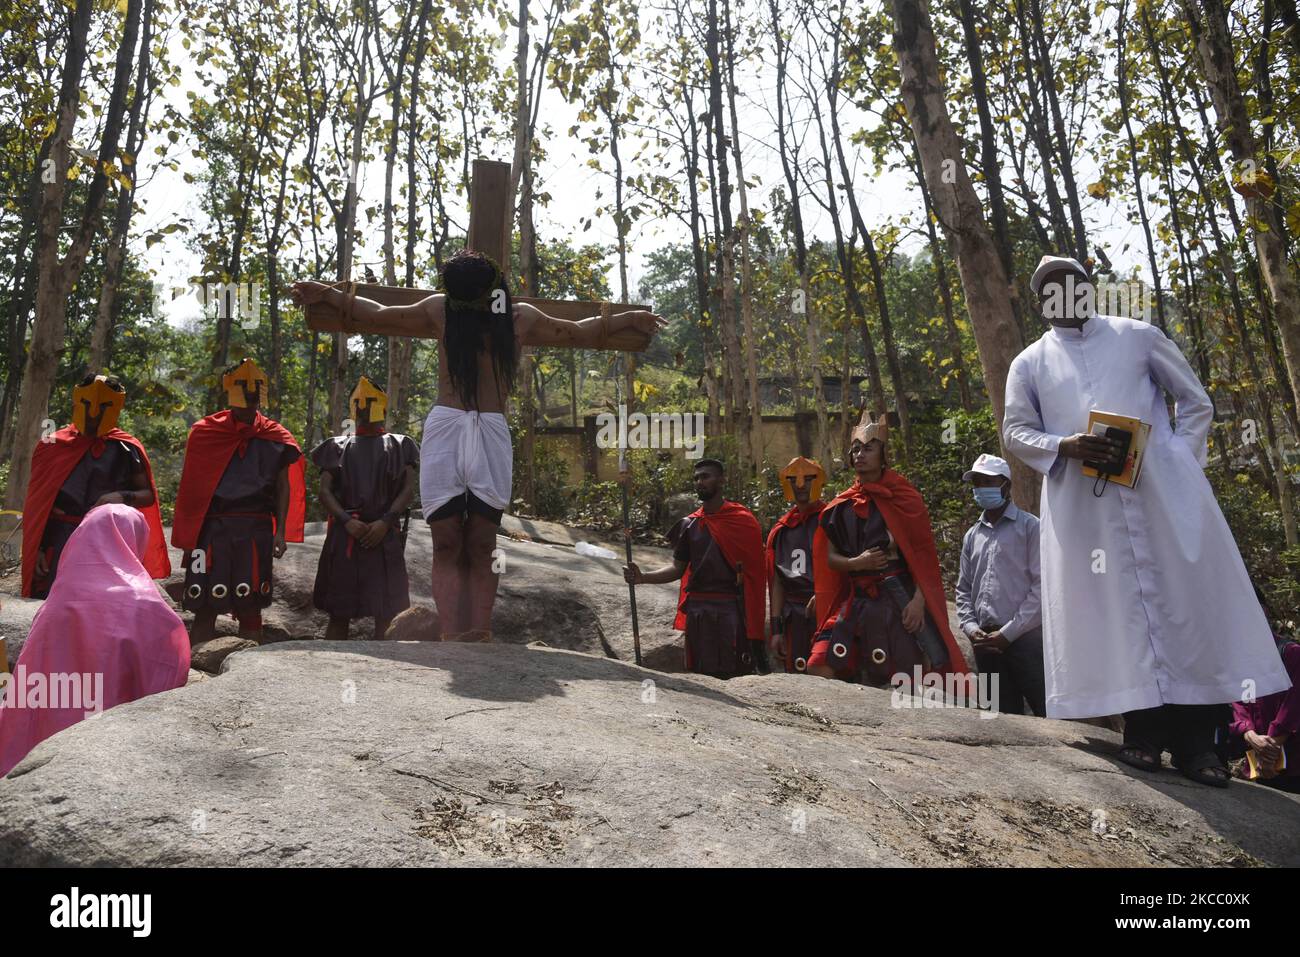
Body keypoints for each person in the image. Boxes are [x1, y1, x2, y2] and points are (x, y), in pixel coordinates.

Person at [1002, 254, 1291, 787]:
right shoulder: (1030, 362)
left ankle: (1199, 747)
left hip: (1164, 498)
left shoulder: (1138, 336)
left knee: (1185, 613)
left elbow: (1194, 401)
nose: (1062, 294)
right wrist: (1062, 445)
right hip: (1085, 510)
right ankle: (1142, 736)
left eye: (1072, 284)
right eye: (1050, 288)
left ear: (1089, 289)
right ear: (1039, 301)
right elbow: (1015, 432)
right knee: (1116, 618)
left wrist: (1178, 464)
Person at [291, 252, 664, 642]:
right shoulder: (440, 311)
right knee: (447, 539)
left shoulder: (520, 319)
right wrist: (330, 296)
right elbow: (379, 313)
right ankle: (452, 633)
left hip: (490, 430)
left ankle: (481, 630)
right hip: (446, 429)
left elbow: (577, 331)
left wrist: (627, 319)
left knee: (483, 540)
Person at [0, 505, 190, 776]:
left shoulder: (59, 596)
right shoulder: (144, 605)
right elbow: (169, 666)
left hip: (42, 735)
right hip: (108, 740)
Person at [808, 413, 968, 687]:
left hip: (898, 598)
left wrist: (919, 602)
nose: (860, 454)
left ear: (883, 454)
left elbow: (923, 559)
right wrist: (857, 562)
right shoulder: (841, 505)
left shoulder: (904, 497)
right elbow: (832, 559)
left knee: (908, 678)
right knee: (819, 663)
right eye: (856, 449)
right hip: (857, 599)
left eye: (869, 448)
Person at [171, 358, 306, 645]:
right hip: (211, 529)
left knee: (251, 602)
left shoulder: (276, 437)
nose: (248, 403)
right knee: (204, 602)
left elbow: (283, 487)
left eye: (254, 397)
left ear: (261, 395)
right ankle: (193, 673)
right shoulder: (206, 432)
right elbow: (192, 487)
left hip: (255, 528)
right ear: (230, 393)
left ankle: (249, 676)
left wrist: (280, 531)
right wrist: (189, 534)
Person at [21, 374, 168, 598]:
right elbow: (38, 507)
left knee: (103, 602)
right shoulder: (53, 445)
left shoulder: (126, 448)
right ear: (77, 402)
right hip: (61, 538)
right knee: (55, 601)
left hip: (107, 538)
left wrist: (120, 496)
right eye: (88, 405)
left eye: (103, 407)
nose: (94, 414)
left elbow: (147, 495)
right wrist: (38, 549)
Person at [623, 459, 767, 678]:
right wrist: (643, 577)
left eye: (705, 476)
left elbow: (755, 572)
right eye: (697, 478)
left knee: (735, 673)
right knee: (700, 674)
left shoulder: (742, 521)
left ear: (721, 480)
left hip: (731, 608)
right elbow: (676, 568)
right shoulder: (689, 524)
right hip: (698, 609)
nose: (700, 482)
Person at [311, 376, 419, 640]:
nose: (364, 408)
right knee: (339, 614)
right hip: (346, 535)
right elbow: (324, 491)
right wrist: (346, 520)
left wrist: (386, 521)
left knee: (387, 616)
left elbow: (408, 489)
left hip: (384, 535)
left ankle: (384, 677)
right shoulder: (337, 445)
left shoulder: (400, 444)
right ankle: (329, 674)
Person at [955, 453, 1046, 716]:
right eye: (976, 483)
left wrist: (1009, 633)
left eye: (988, 482)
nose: (981, 488)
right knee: (1001, 719)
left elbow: (1041, 588)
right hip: (984, 641)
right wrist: (972, 629)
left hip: (1025, 639)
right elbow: (963, 590)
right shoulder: (973, 535)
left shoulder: (1030, 528)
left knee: (1047, 715)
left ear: (1006, 486)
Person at [767, 456, 826, 673]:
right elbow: (778, 582)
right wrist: (776, 630)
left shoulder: (831, 519)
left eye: (809, 478)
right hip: (793, 615)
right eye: (793, 478)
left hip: (826, 611)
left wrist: (824, 594)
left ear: (819, 480)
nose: (800, 484)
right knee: (797, 675)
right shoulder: (783, 529)